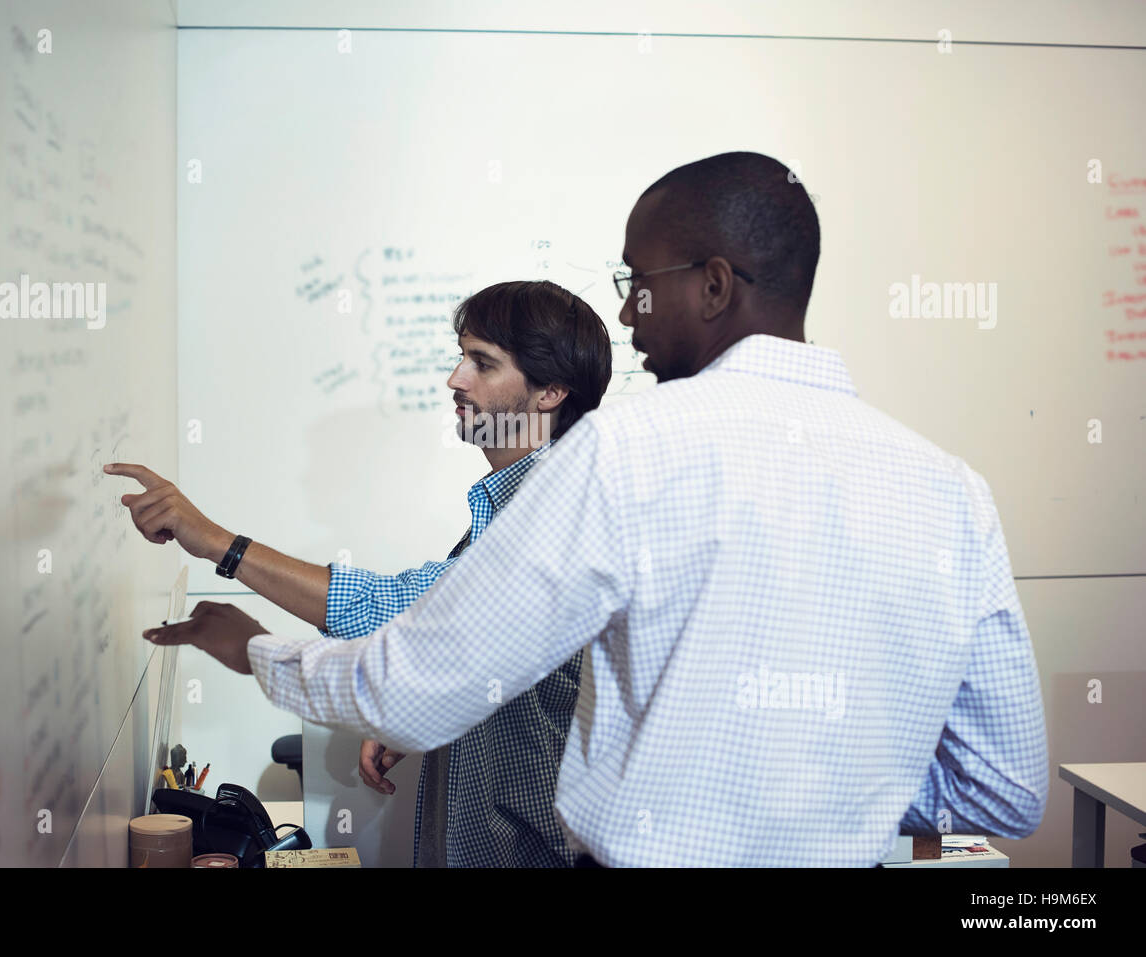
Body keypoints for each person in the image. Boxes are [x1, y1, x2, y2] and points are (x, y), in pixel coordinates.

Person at [144, 152, 1048, 866]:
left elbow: (410, 683)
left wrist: (253, 649)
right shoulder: (951, 490)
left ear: (716, 285)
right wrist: (821, 793)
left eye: (637, 281)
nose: (628, 314)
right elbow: (1004, 790)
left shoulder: (628, 454)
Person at [109, 279, 613, 867]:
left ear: (550, 391)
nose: (456, 379)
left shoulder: (549, 513)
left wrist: (219, 546)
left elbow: (395, 612)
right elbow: (480, 656)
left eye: (482, 362)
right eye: (461, 356)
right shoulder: (518, 502)